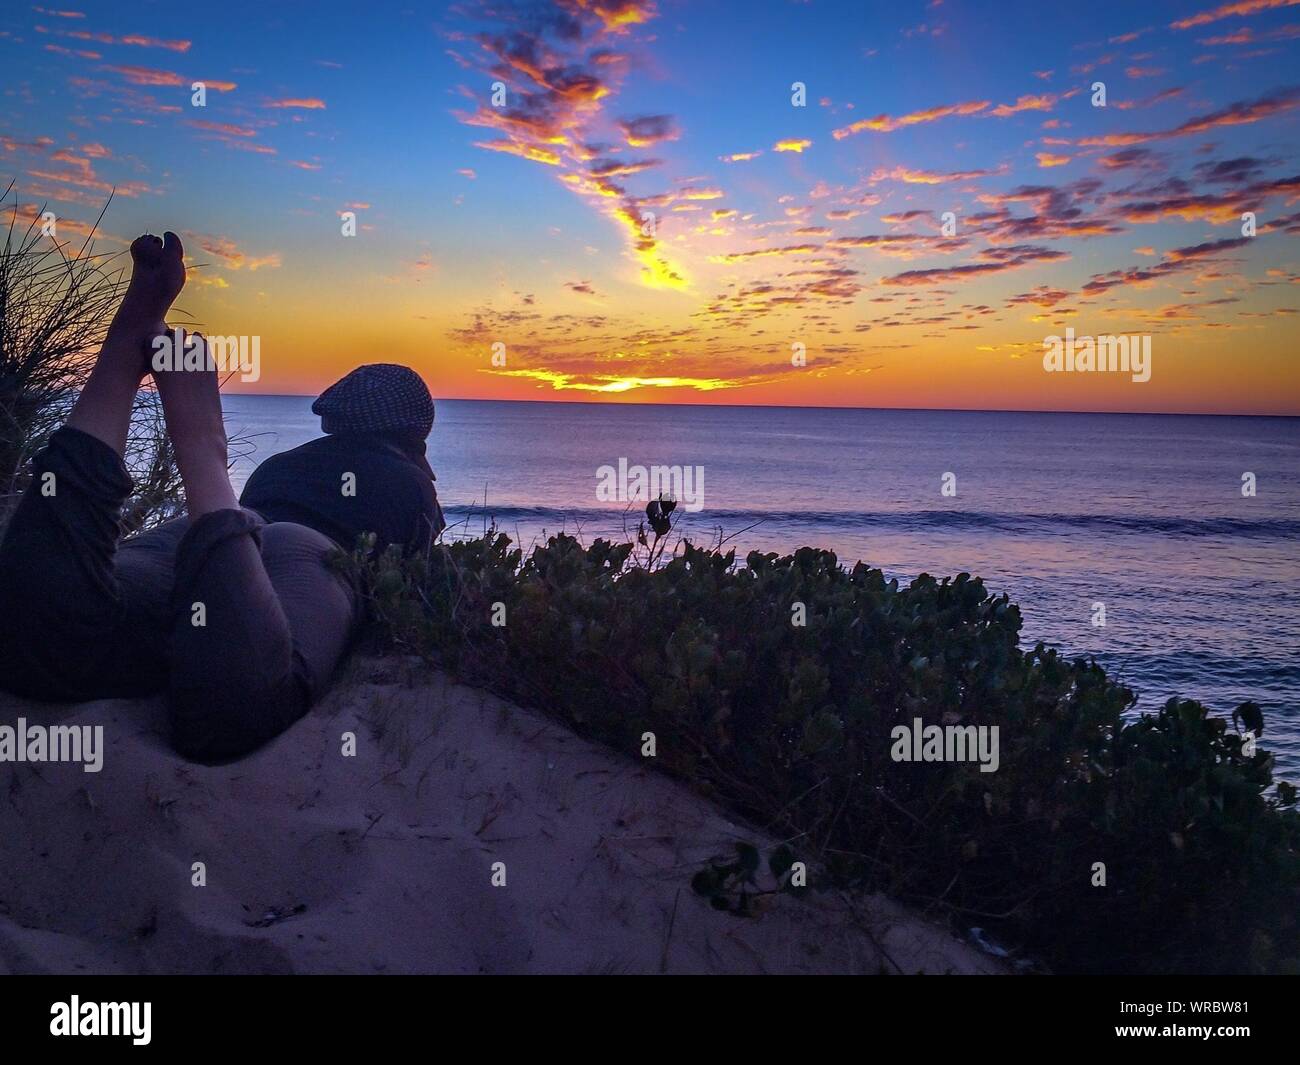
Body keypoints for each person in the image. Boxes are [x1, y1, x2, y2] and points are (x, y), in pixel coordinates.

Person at [0, 232, 444, 763]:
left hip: (214, 533)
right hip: (303, 553)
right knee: (241, 705)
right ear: (416, 432)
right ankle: (201, 447)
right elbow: (408, 583)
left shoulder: (288, 463)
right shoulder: (412, 484)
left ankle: (124, 355)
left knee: (32, 630)